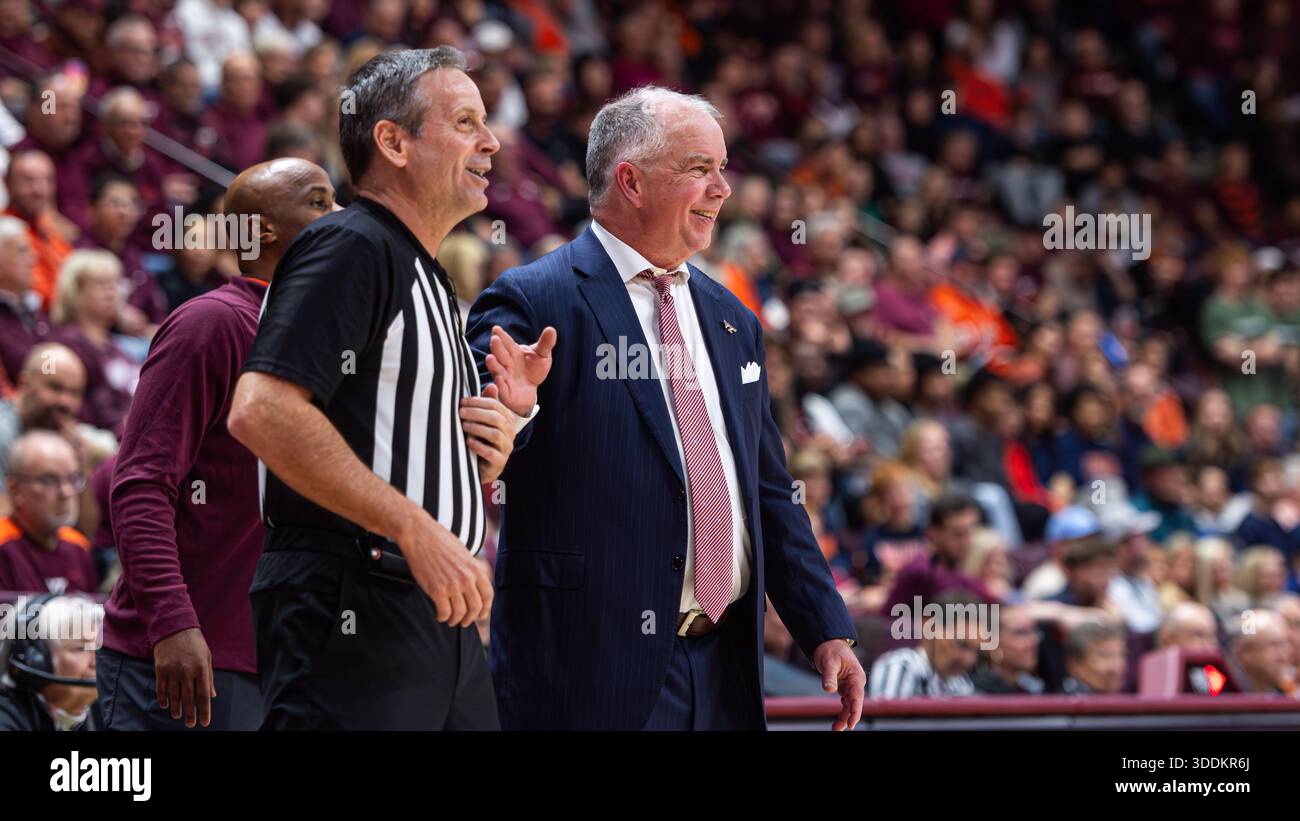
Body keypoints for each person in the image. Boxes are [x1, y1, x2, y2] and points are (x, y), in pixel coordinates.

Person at [468, 85, 862, 731]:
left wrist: (825, 626)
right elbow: (479, 451)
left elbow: (768, 491)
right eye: (699, 169)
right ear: (631, 181)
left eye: (723, 168)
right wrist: (515, 417)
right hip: (586, 671)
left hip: (724, 666)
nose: (723, 189)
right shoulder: (532, 298)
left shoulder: (733, 318)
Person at [228, 47, 548, 730]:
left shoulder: (429, 276)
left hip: (436, 610)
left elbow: (396, 440)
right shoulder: (352, 245)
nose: (491, 142)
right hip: (357, 593)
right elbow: (262, 410)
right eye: (465, 122)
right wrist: (412, 524)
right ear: (394, 141)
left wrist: (499, 435)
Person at [96, 158, 337, 731]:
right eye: (320, 201)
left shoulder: (326, 341)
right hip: (182, 662)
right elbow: (139, 484)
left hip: (279, 665)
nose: (343, 216)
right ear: (261, 231)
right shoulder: (212, 324)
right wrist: (173, 623)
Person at [0, 431, 97, 594]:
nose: (66, 492)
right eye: (49, 480)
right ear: (15, 489)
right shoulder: (4, 547)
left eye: (72, 479)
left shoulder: (78, 546)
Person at [0, 593, 102, 731]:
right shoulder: (6, 719)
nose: (96, 662)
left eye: (100, 647)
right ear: (35, 660)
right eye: (81, 648)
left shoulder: (108, 710)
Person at [869, 591, 981, 698]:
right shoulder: (901, 667)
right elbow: (889, 717)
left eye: (975, 650)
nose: (969, 659)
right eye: (960, 644)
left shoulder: (959, 681)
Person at [971, 603, 1045, 694]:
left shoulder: (1035, 689)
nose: (1034, 640)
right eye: (1021, 633)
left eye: (1034, 631)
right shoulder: (975, 693)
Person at [1060, 619, 1127, 695]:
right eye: (1106, 656)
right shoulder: (1066, 703)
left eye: (1121, 655)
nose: (1117, 667)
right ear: (1076, 663)